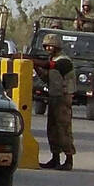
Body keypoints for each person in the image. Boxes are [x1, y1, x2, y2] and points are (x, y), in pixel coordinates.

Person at [38, 32, 75, 170]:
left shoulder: (64, 61)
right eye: (46, 46)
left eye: (51, 46)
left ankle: (69, 159)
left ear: (57, 46)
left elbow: (51, 66)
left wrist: (32, 60)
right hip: (54, 96)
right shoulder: (53, 60)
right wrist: (37, 68)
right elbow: (47, 77)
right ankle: (55, 158)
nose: (48, 48)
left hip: (63, 98)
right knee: (52, 129)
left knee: (63, 129)